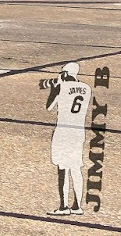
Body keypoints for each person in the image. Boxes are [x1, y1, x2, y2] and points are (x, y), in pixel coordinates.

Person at [48, 62, 92, 215]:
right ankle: (77, 206)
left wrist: (55, 88)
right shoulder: (87, 89)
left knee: (62, 168)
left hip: (63, 131)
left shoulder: (61, 87)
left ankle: (63, 206)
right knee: (76, 168)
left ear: (65, 74)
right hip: (78, 131)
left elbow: (49, 106)